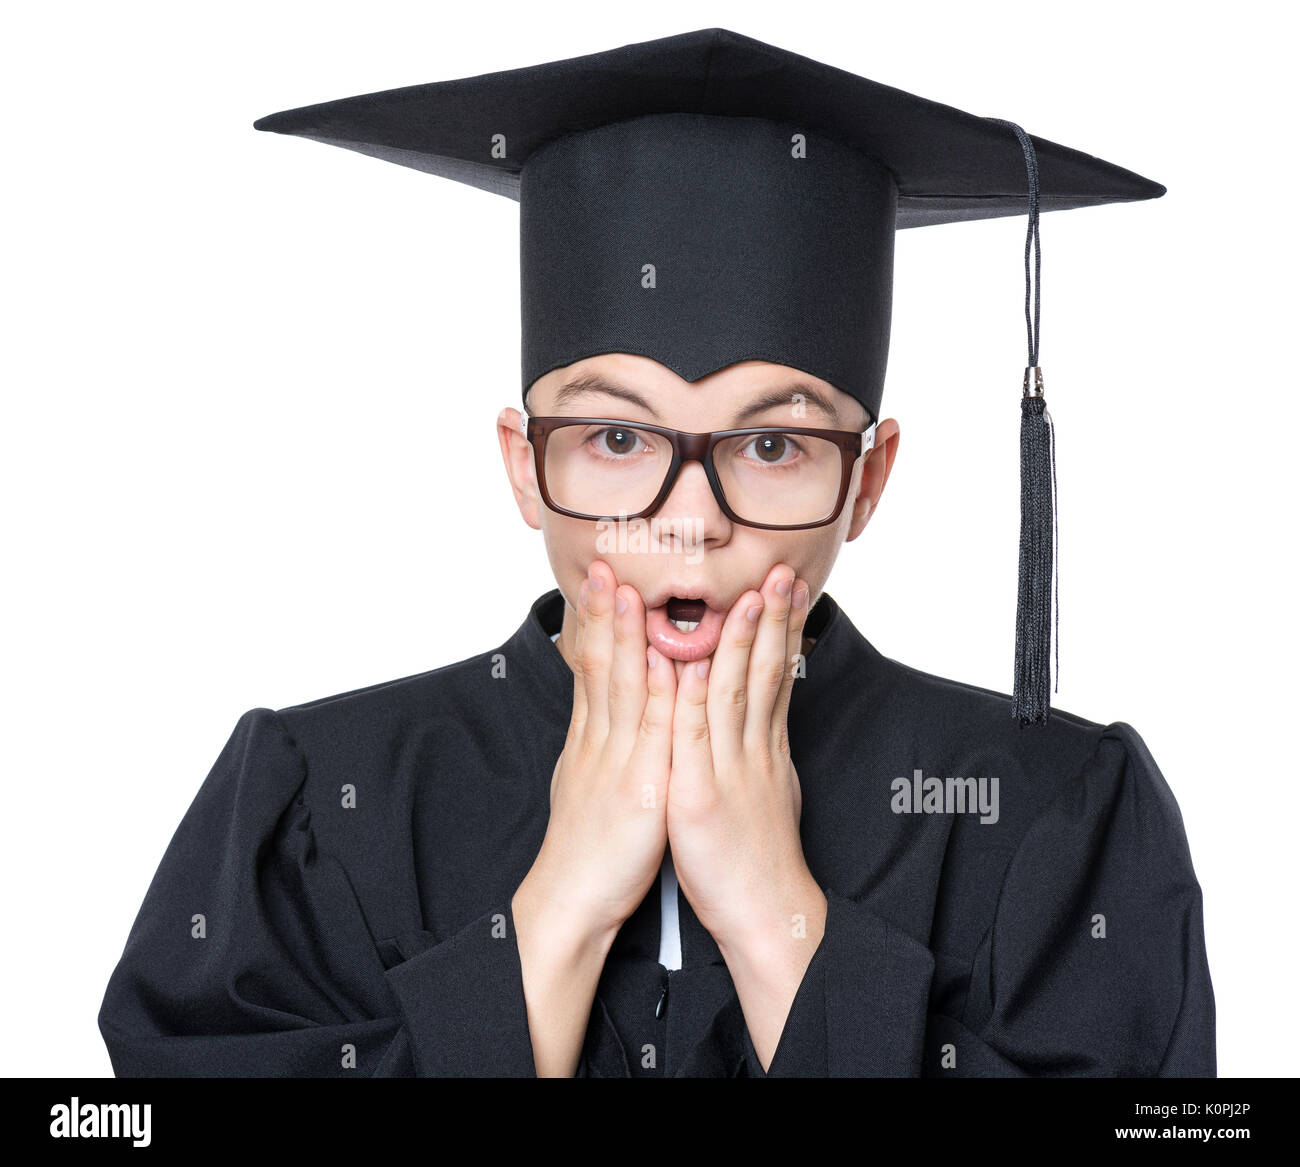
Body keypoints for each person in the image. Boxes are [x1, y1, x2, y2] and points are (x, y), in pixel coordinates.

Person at [98, 27, 1215, 1077]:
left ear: (866, 479)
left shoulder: (1050, 815)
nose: (691, 521)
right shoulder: (318, 802)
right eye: (618, 438)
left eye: (772, 442)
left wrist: (783, 928)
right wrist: (558, 917)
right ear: (523, 464)